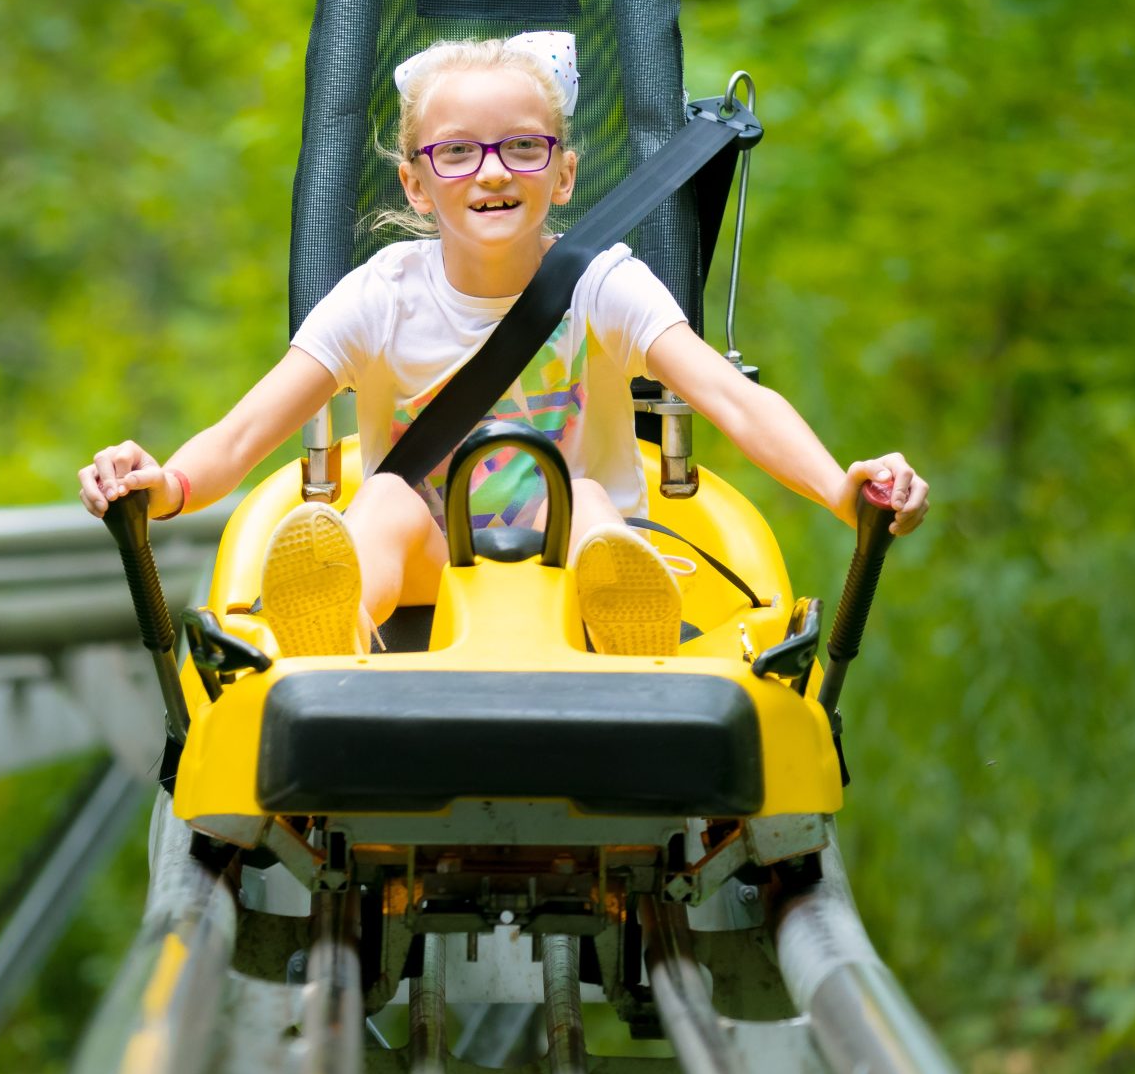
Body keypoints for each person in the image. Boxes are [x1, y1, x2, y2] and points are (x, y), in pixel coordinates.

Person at [78, 33, 929, 658]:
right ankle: (334, 633)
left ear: (563, 173)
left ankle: (626, 622)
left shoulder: (603, 283)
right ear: (416, 183)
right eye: (457, 152)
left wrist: (842, 489)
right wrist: (166, 485)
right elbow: (241, 434)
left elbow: (735, 401)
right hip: (429, 558)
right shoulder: (383, 295)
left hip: (568, 555)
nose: (492, 171)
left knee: (589, 501)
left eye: (523, 147)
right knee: (383, 499)